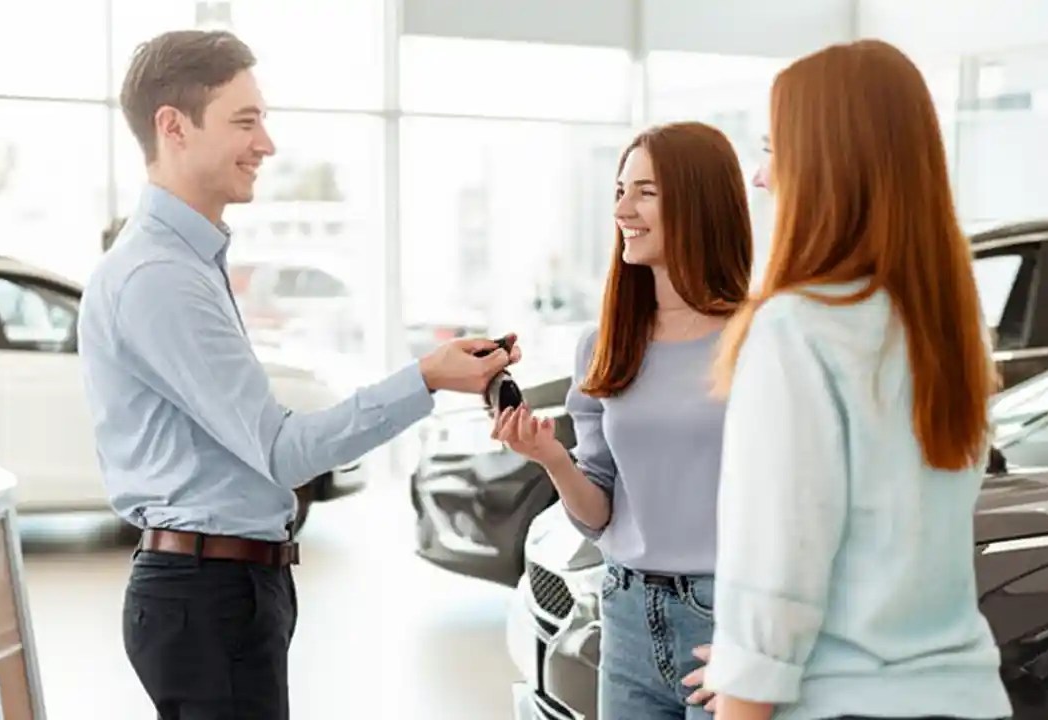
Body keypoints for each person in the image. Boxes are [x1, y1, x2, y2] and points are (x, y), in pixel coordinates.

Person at [77, 30, 520, 720]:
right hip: (208, 593)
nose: (267, 144)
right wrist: (425, 379)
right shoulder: (160, 277)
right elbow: (284, 452)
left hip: (221, 586)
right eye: (245, 121)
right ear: (174, 127)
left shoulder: (184, 261)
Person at [680, 40, 1013, 720]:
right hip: (966, 699)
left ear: (826, 165)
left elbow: (777, 571)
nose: (761, 177)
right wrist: (753, 660)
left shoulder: (796, 328)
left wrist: (748, 682)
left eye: (774, 149)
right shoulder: (948, 327)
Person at [493, 121, 753, 719]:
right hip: (627, 611)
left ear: (699, 204)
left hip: (731, 615)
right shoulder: (606, 344)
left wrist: (764, 633)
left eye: (646, 192)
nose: (623, 209)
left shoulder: (761, 339)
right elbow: (600, 512)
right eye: (618, 190)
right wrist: (550, 458)